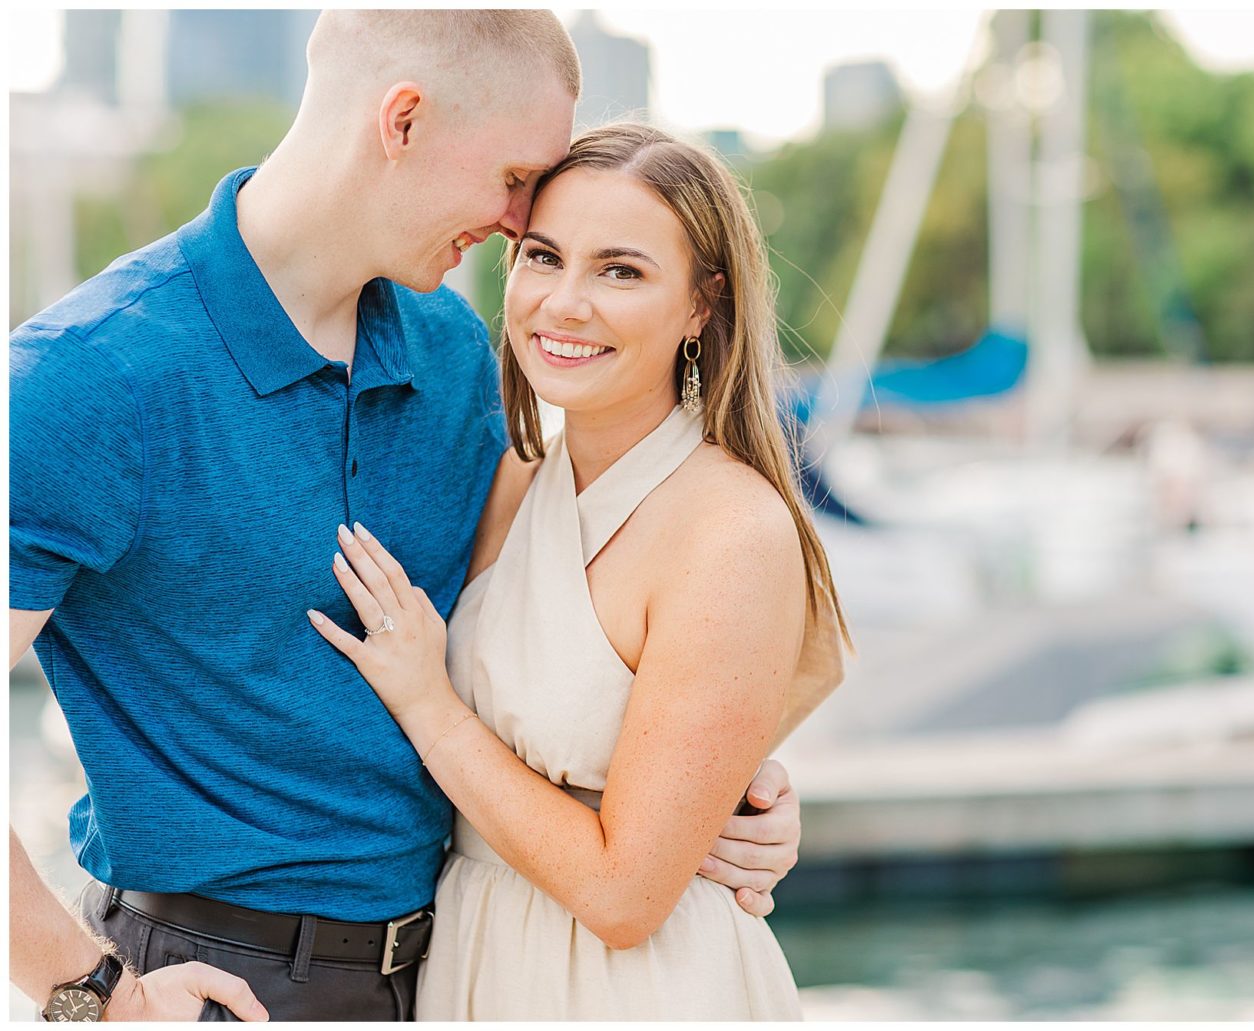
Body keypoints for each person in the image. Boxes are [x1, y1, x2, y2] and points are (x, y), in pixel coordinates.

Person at [10, 12, 804, 1023]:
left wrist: (722, 789)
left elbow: (555, 633)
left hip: (445, 971)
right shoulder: (85, 377)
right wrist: (88, 990)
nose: (519, 220)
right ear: (404, 120)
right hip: (210, 981)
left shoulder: (451, 353)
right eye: (517, 177)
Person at [307, 121, 849, 1020]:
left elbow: (625, 895)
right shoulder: (515, 478)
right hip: (474, 955)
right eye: (543, 256)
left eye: (621, 270)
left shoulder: (730, 529)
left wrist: (426, 703)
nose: (564, 302)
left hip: (630, 986)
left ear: (702, 305)